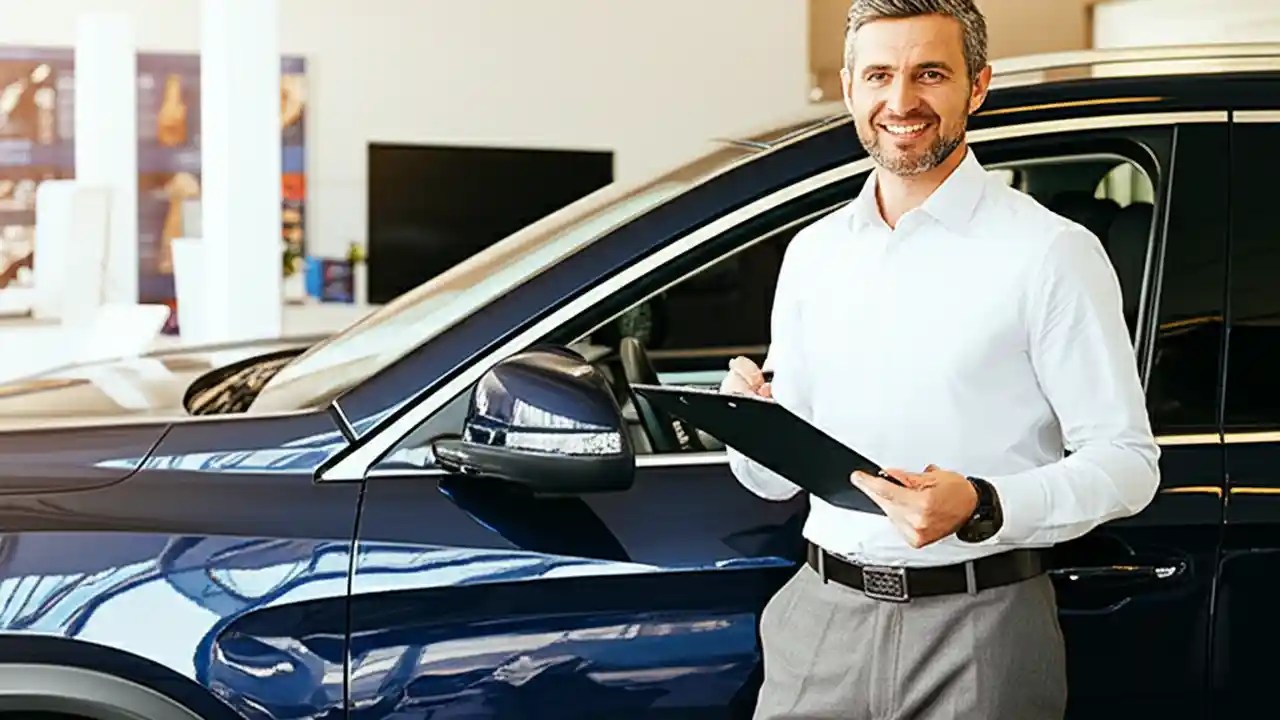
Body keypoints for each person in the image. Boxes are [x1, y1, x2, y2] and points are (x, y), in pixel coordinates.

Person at [719, 1, 1161, 718]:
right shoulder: (814, 254)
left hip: (981, 628)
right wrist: (755, 424)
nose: (901, 101)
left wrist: (985, 504)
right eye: (879, 75)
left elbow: (1128, 464)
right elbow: (772, 484)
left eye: (930, 74)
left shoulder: (1051, 253)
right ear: (849, 86)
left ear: (977, 86)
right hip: (819, 621)